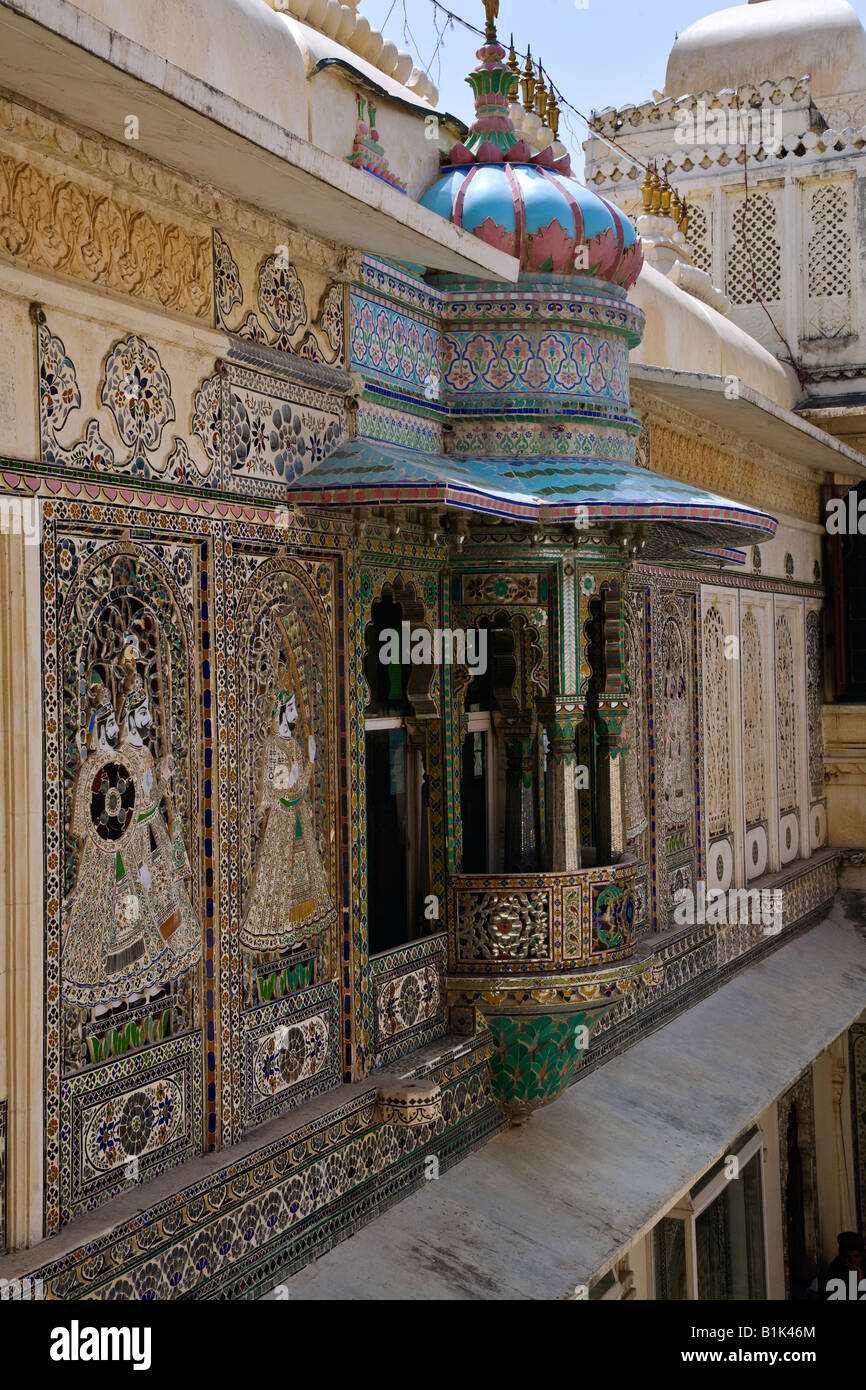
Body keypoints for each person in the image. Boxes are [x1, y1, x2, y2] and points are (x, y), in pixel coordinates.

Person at [823, 1231, 865, 1299]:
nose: (853, 1261)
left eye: (857, 1256)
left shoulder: (862, 1265)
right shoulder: (836, 1271)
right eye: (848, 1257)